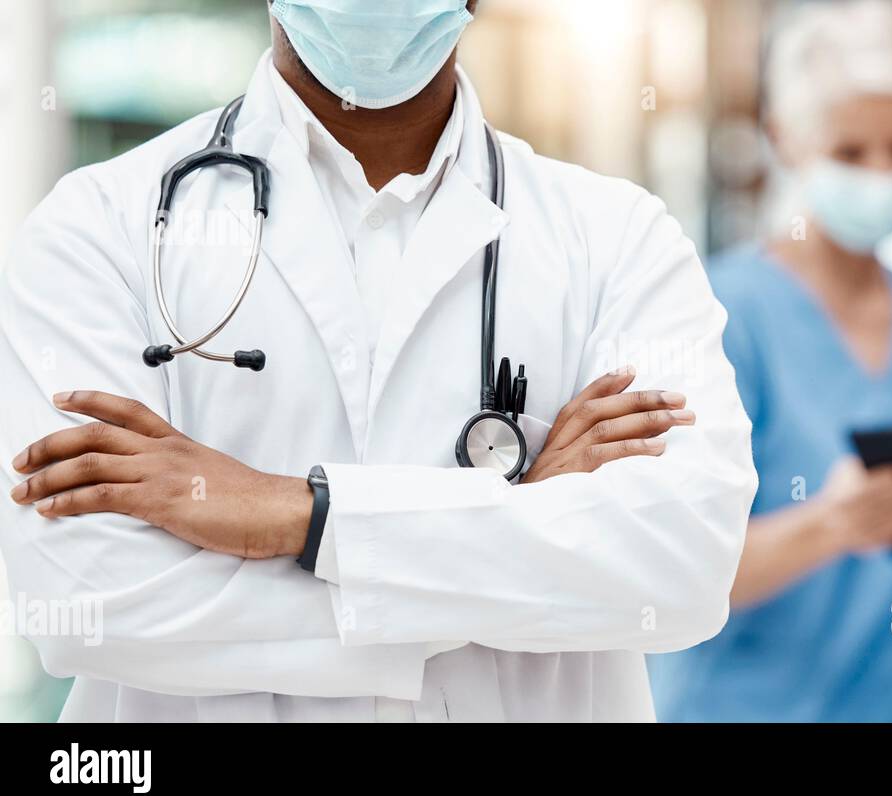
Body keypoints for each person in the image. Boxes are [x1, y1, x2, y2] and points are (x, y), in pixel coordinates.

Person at [0, 0, 757, 722]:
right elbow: (88, 604)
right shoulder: (96, 229)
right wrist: (517, 524)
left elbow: (679, 567)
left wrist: (299, 511)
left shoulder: (619, 239)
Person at [651, 0, 892, 722]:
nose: (882, 173)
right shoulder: (715, 314)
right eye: (851, 152)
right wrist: (832, 524)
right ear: (785, 139)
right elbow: (666, 562)